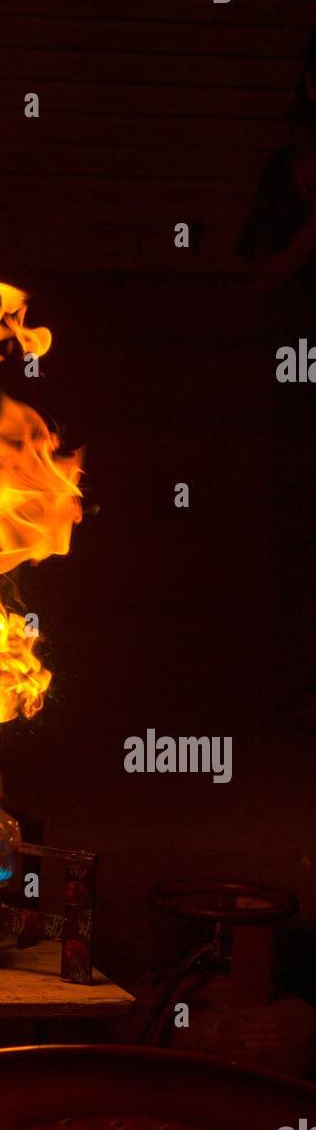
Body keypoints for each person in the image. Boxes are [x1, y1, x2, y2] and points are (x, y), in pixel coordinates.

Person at [239, 122, 316, 728]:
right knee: (294, 531)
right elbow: (263, 277)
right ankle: (291, 691)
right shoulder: (278, 184)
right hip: (296, 384)